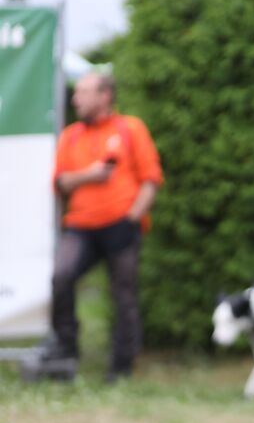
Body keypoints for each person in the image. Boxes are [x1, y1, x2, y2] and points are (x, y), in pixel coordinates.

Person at [30, 73, 163, 383]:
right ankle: (66, 349)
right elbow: (60, 182)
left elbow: (151, 179)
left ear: (105, 96)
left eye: (83, 92)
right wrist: (88, 176)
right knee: (61, 276)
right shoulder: (71, 135)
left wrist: (133, 217)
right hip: (81, 226)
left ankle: (122, 367)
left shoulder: (130, 128)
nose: (76, 99)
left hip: (121, 225)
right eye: (76, 92)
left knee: (124, 295)